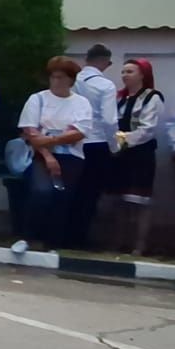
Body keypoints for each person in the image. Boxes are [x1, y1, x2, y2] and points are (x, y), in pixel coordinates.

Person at [18, 57, 94, 249]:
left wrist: (50, 139)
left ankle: (52, 242)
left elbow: (79, 132)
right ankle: (27, 237)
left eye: (61, 77)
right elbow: (31, 131)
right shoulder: (38, 99)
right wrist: (48, 155)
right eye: (53, 77)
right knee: (41, 191)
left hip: (71, 156)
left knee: (62, 198)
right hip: (42, 155)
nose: (56, 81)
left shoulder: (81, 103)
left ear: (70, 80)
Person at [111, 58, 164, 256]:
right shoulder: (120, 98)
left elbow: (148, 129)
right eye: (123, 72)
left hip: (140, 154)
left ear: (143, 74)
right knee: (120, 201)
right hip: (119, 155)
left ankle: (139, 245)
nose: (125, 75)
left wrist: (122, 140)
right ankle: (119, 241)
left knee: (140, 202)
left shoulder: (152, 97)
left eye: (130, 71)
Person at [71, 43, 120, 248]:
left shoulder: (71, 81)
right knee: (90, 193)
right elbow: (109, 120)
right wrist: (114, 146)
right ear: (104, 61)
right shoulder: (105, 85)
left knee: (71, 190)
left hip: (71, 141)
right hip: (96, 143)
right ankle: (79, 238)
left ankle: (61, 234)